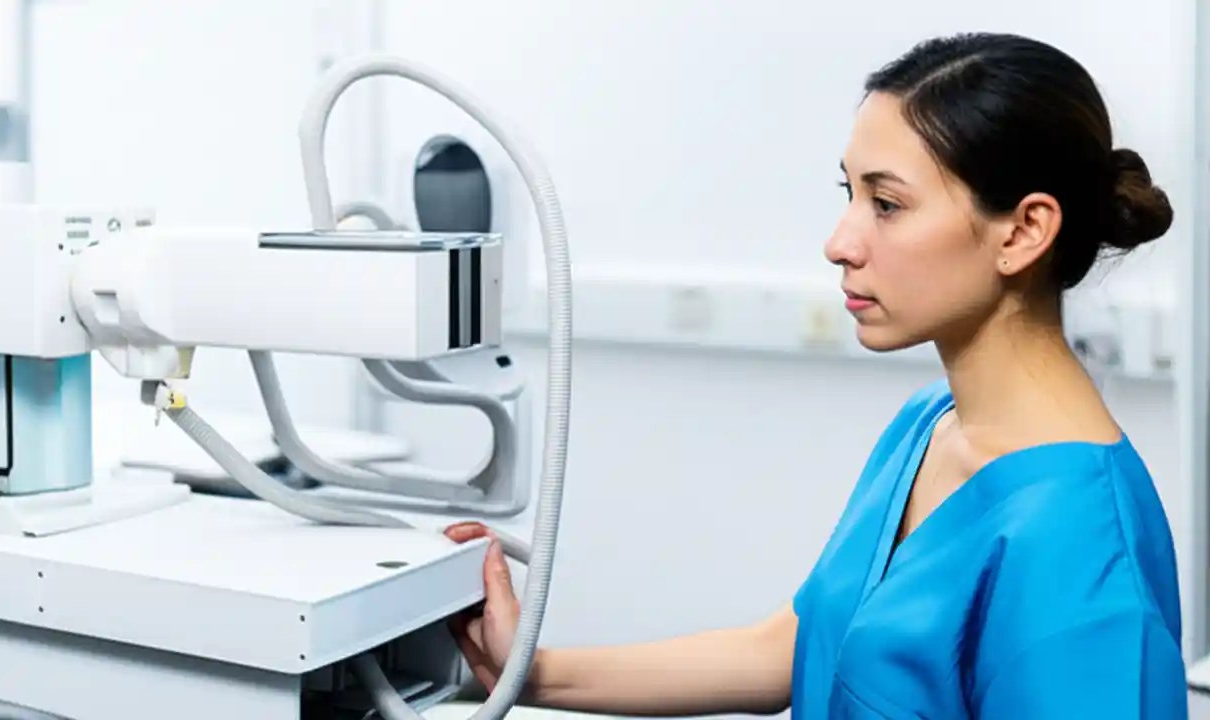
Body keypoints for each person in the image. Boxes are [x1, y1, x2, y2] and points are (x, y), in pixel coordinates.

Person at [444, 31, 1187, 718]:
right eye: (850, 195)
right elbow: (793, 647)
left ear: (1023, 231)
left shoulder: (1082, 546)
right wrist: (532, 673)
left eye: (888, 204)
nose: (839, 243)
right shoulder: (930, 426)